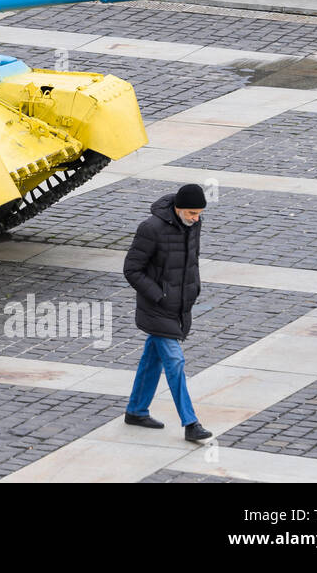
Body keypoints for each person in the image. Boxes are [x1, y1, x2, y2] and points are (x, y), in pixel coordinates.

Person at [121, 182, 213, 443]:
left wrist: (193, 289)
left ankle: (136, 410)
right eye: (192, 213)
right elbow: (131, 269)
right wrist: (159, 295)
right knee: (175, 361)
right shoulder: (151, 228)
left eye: (199, 214)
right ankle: (191, 423)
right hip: (157, 308)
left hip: (180, 306)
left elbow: (191, 261)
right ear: (178, 208)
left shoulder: (193, 225)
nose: (196, 218)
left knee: (152, 359)